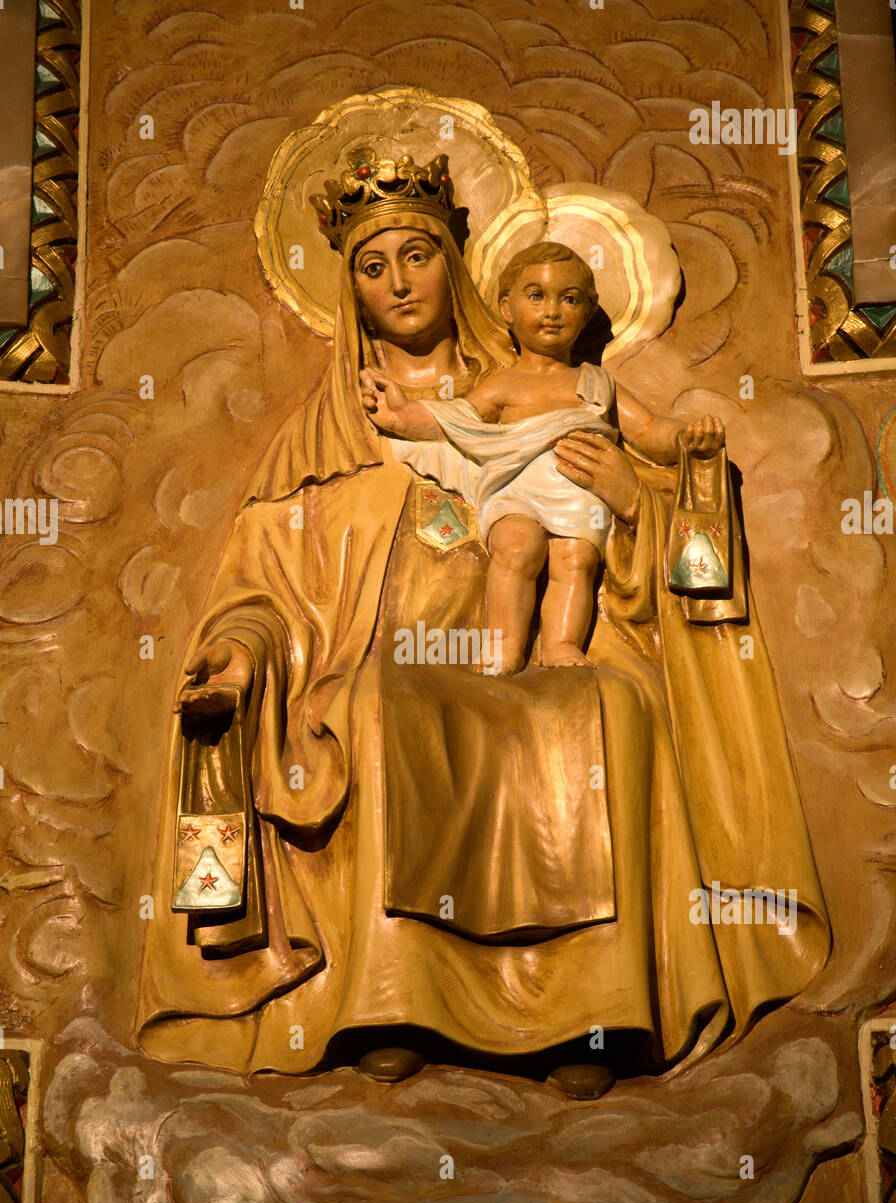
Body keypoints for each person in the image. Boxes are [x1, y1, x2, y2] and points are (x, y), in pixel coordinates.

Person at [136, 152, 830, 1095]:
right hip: (407, 674)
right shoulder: (329, 429)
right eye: (372, 268)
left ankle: (592, 1021)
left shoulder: (537, 385)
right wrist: (235, 652)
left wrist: (634, 499)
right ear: (348, 292)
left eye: (417, 255)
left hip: (546, 661)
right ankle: (394, 1002)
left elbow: (681, 565)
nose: (399, 282)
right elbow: (267, 581)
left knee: (605, 716)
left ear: (460, 269)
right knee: (380, 708)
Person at [360, 239, 724, 673]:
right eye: (536, 296)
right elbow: (456, 421)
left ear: (586, 314)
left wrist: (686, 438)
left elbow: (647, 430)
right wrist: (401, 417)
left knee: (576, 560)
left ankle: (562, 644)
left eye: (569, 300)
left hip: (579, 494)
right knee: (516, 548)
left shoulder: (596, 382)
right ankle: (505, 647)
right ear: (508, 309)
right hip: (519, 489)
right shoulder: (503, 385)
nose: (552, 311)